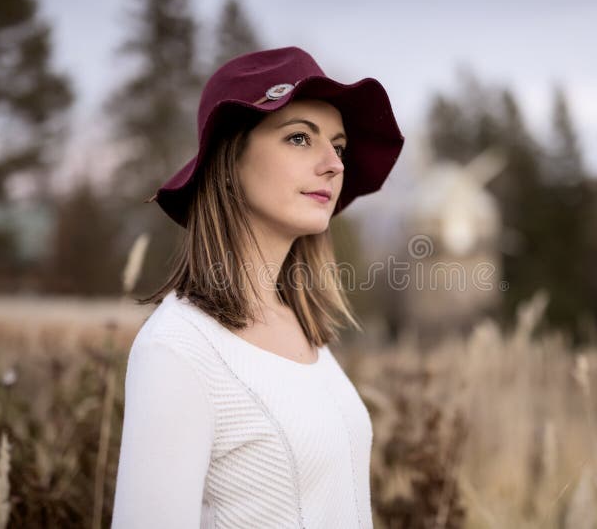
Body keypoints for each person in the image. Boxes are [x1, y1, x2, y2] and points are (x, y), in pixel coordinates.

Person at [110, 46, 404, 528]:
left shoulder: (303, 326)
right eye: (298, 139)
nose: (334, 164)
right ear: (229, 163)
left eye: (339, 146)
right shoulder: (178, 350)